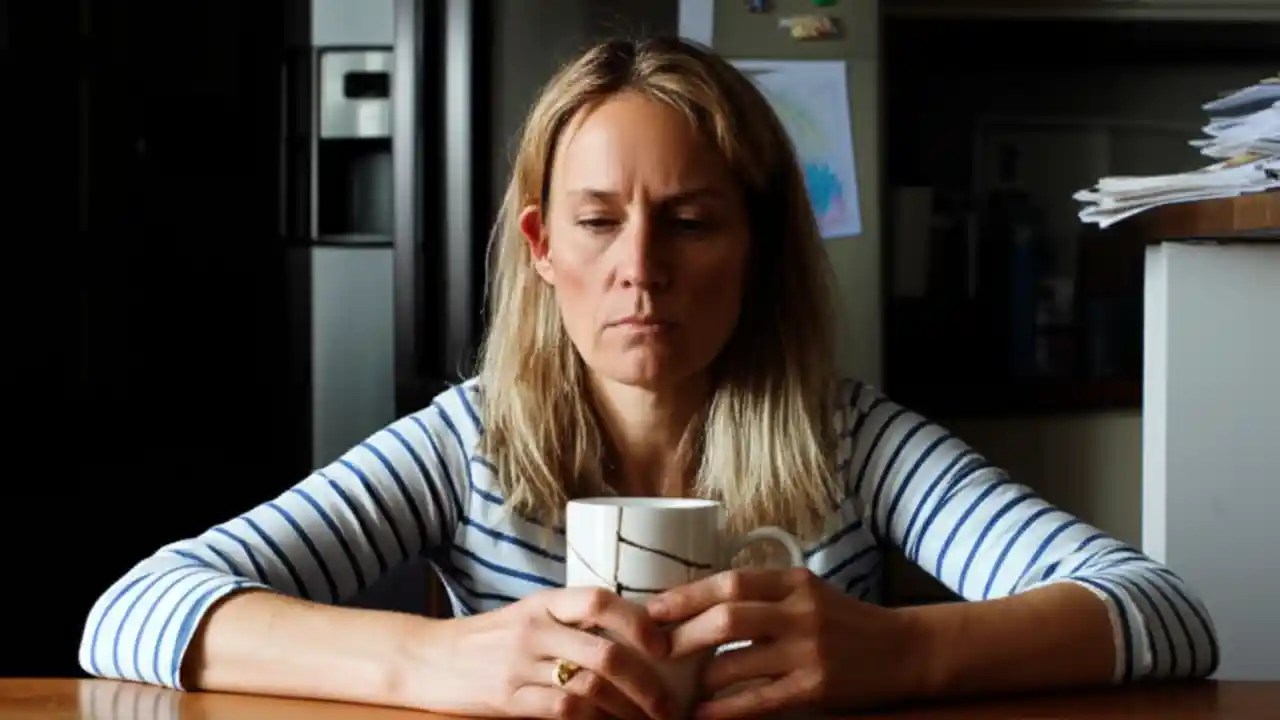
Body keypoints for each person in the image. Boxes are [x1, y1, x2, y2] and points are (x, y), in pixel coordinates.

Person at [79, 36, 1217, 720]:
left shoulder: (851, 443)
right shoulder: (461, 446)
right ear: (541, 249)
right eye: (594, 221)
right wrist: (438, 663)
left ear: (759, 248)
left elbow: (1163, 617)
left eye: (689, 222)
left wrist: (898, 654)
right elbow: (132, 613)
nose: (639, 271)